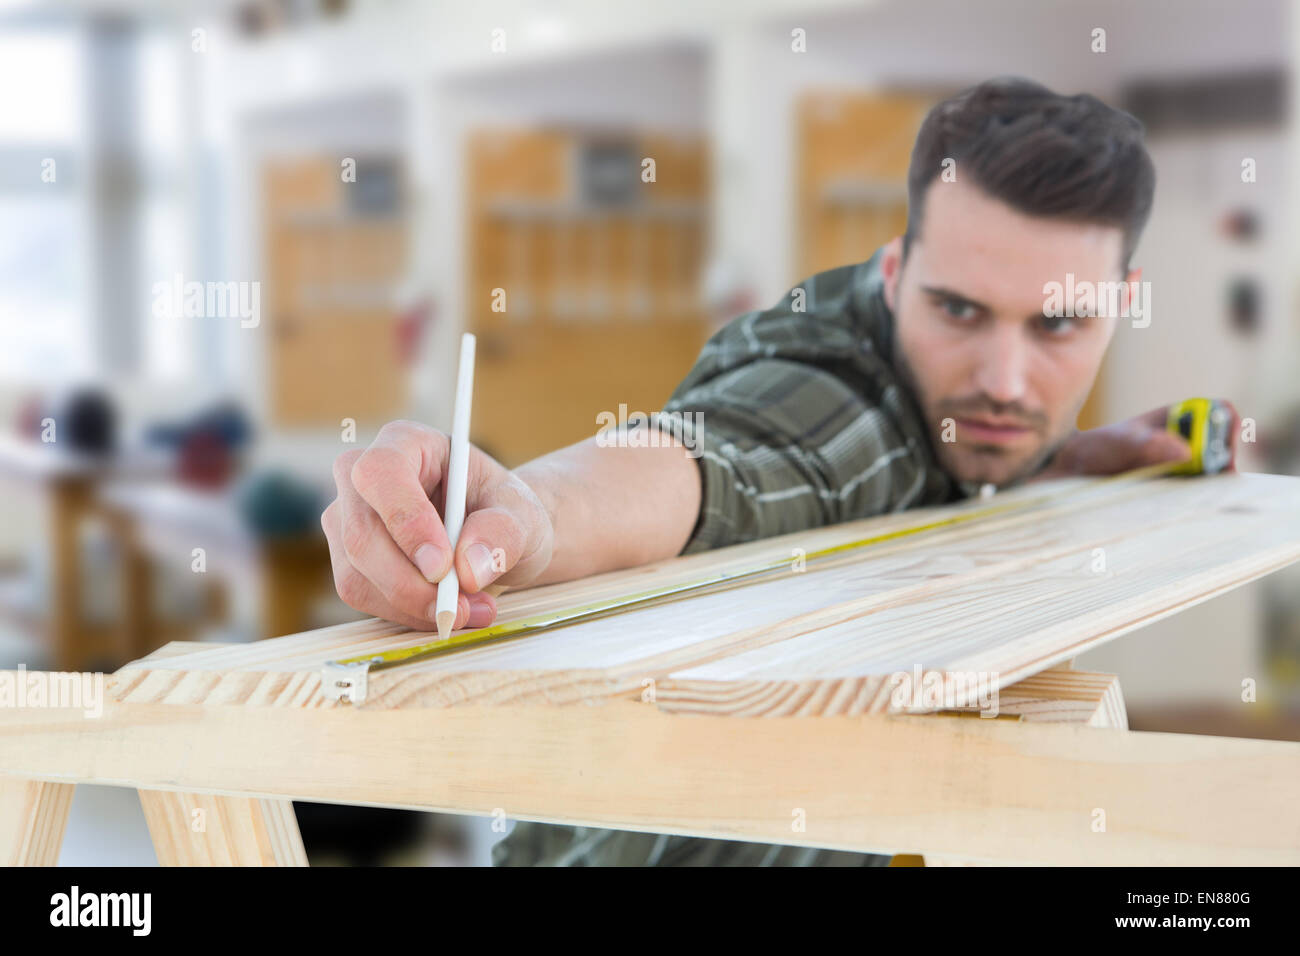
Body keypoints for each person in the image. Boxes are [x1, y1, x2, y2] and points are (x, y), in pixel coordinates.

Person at [320, 77, 1238, 865]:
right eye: (958, 310)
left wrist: (1068, 454)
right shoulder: (836, 400)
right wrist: (536, 514)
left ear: (1122, 303)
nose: (1004, 379)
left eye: (1057, 326)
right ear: (893, 274)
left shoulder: (968, 408)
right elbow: (719, 455)